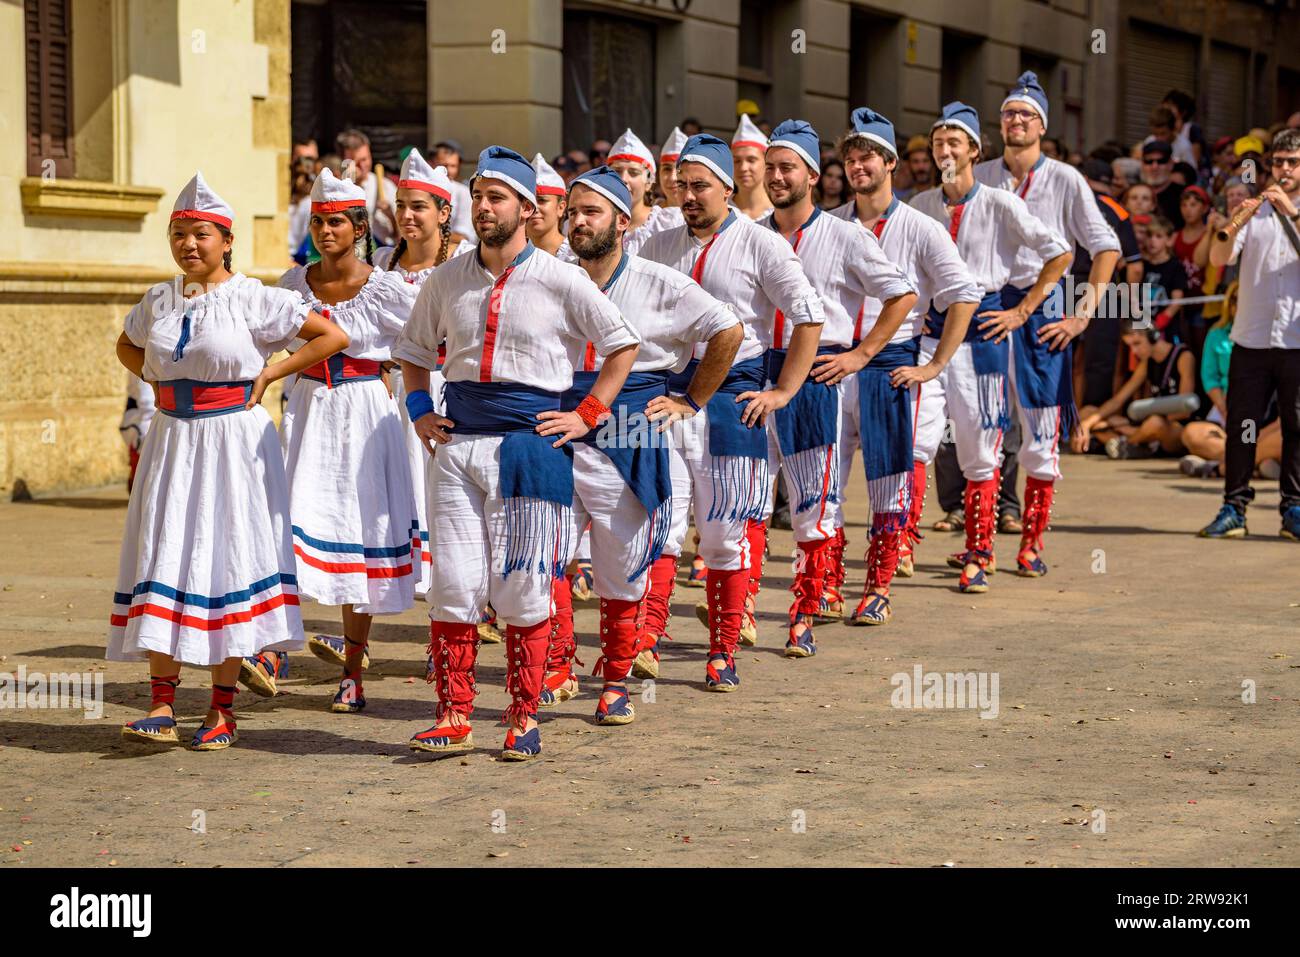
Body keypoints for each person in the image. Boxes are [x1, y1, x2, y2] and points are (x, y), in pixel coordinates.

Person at [394, 146, 641, 760]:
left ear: (529, 210)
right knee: (452, 583)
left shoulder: (560, 276)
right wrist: (420, 411)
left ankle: (523, 715)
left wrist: (588, 413)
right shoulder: (446, 278)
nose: (482, 207)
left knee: (524, 585)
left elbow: (622, 344)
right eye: (477, 195)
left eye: (496, 197)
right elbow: (413, 351)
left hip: (532, 447)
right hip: (456, 443)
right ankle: (452, 713)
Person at [112, 172, 347, 749]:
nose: (189, 245)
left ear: (225, 241)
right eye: (179, 235)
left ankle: (221, 711)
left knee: (226, 560)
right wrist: (152, 375)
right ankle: (161, 704)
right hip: (170, 441)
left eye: (201, 235)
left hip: (233, 445)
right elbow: (126, 342)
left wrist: (270, 371)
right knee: (162, 553)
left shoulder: (255, 299)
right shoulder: (158, 300)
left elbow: (329, 337)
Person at [543, 166, 742, 717]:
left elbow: (727, 331)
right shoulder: (549, 275)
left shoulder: (661, 282)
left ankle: (615, 684)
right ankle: (557, 665)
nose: (579, 222)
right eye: (573, 211)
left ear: (623, 222)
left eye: (593, 212)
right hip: (558, 421)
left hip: (630, 423)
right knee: (545, 550)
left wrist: (691, 400)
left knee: (621, 562)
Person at [639, 133, 823, 689]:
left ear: (727, 186)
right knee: (660, 524)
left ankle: (722, 650)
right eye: (681, 185)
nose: (688, 195)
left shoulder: (761, 242)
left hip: (733, 401)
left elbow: (808, 316)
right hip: (666, 397)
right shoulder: (658, 245)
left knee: (723, 533)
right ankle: (645, 640)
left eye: (700, 186)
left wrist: (784, 391)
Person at [246, 169, 421, 715]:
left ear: (359, 227)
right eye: (319, 221)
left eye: (337, 222)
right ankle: (274, 649)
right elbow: (258, 343)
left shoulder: (388, 288)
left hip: (367, 412)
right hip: (307, 409)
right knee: (287, 525)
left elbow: (426, 342)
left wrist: (409, 385)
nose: (326, 231)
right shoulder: (292, 285)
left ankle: (354, 668)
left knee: (359, 532)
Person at [760, 117, 919, 637]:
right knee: (748, 496)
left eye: (787, 168)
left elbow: (902, 294)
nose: (776, 177)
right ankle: (742, 612)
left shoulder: (843, 235)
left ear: (811, 175)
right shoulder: (750, 233)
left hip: (820, 376)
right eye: (770, 168)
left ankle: (809, 607)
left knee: (814, 498)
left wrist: (862, 353)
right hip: (755, 373)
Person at [913, 102, 1072, 593]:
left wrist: (1023, 311)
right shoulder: (920, 205)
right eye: (938, 142)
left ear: (974, 152)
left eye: (953, 143)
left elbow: (1060, 253)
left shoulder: (1001, 203)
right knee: (917, 438)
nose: (943, 150)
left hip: (983, 337)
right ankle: (899, 546)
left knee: (984, 447)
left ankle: (988, 552)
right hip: (932, 334)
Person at [829, 108, 981, 612]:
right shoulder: (829, 224)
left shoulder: (921, 226)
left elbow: (963, 294)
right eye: (850, 158)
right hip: (830, 365)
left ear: (890, 162)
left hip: (889, 362)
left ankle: (878, 588)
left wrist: (934, 365)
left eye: (867, 156)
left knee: (889, 480)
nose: (857, 166)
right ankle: (824, 586)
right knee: (825, 481)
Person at [975, 72, 1121, 580]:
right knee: (982, 427)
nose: (1016, 120)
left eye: (1026, 114)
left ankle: (1030, 545)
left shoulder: (1065, 178)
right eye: (1009, 112)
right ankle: (980, 548)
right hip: (988, 303)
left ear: (1042, 125)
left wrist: (1084, 314)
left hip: (1046, 307)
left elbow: (1106, 246)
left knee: (1040, 431)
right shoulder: (981, 173)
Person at [1198, 128, 1300, 540]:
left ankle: (1293, 507)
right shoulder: (1253, 210)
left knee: (1296, 426)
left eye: (1293, 162)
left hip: (1296, 339)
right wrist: (1226, 226)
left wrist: (1290, 214)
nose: (1285, 170)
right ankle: (1234, 506)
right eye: (1278, 162)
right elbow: (1220, 259)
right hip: (1251, 338)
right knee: (1243, 424)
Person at [372, 150, 462, 600]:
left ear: (444, 212)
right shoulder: (381, 262)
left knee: (445, 489)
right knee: (400, 483)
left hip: (447, 390)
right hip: (392, 392)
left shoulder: (464, 260)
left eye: (418, 206)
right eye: (401, 205)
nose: (406, 216)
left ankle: (460, 590)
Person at [1181, 283, 1285, 477]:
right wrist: (1224, 408)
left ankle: (1223, 467)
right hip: (1231, 416)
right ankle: (1258, 462)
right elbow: (1209, 377)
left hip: (1266, 422)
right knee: (1192, 434)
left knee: (1287, 431)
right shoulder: (1218, 334)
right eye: (1237, 300)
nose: (1243, 306)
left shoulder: (1281, 338)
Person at [1074, 158, 1143, 409]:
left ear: (1083, 178)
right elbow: (1135, 266)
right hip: (1106, 290)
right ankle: (1092, 425)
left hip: (1064, 286)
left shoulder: (1070, 203)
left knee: (1061, 356)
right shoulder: (1119, 211)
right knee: (1100, 361)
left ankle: (1054, 426)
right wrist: (1135, 311)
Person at [1074, 322, 1196, 458]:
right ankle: (1135, 444)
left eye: (1137, 344)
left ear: (1153, 337)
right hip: (1145, 425)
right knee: (1087, 413)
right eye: (1130, 346)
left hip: (1173, 427)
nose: (1134, 351)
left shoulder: (1183, 357)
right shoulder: (1147, 362)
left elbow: (1185, 409)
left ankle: (1126, 443)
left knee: (1154, 423)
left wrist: (1127, 426)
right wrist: (1086, 424)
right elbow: (1118, 400)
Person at [607, 128, 685, 255]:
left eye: (633, 172)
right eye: (617, 171)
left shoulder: (668, 223)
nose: (623, 179)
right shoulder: (594, 220)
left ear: (649, 182)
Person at [336, 129, 398, 246]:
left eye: (365, 159)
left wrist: (390, 215)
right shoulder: (337, 189)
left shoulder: (386, 186)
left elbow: (401, 235)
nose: (363, 166)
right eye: (356, 162)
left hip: (382, 252)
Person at [1141, 215, 1188, 337]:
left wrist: (1162, 320)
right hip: (1142, 326)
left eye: (1158, 236)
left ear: (1169, 240)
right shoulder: (1142, 266)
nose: (1152, 240)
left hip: (1166, 330)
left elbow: (1177, 301)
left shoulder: (1176, 267)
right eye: (1149, 236)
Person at [525, 153, 570, 257]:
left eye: (542, 200)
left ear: (561, 208)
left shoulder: (575, 257)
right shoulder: (510, 257)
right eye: (528, 201)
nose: (534, 208)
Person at [431, 140, 476, 242]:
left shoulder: (464, 193)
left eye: (453, 166)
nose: (449, 171)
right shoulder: (421, 191)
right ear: (432, 163)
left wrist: (428, 238)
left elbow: (462, 236)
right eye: (444, 165)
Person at [731, 115, 773, 220]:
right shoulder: (722, 210)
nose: (743, 168)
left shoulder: (780, 211)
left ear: (767, 163)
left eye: (751, 160)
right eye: (737, 161)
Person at [1140, 140, 1184, 229]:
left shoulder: (1183, 196)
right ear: (1142, 164)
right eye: (1149, 161)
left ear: (1171, 164)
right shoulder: (1133, 193)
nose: (1154, 167)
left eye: (1161, 161)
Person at [657, 127, 688, 207]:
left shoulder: (709, 217)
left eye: (680, 169)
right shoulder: (650, 216)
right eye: (667, 169)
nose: (673, 178)